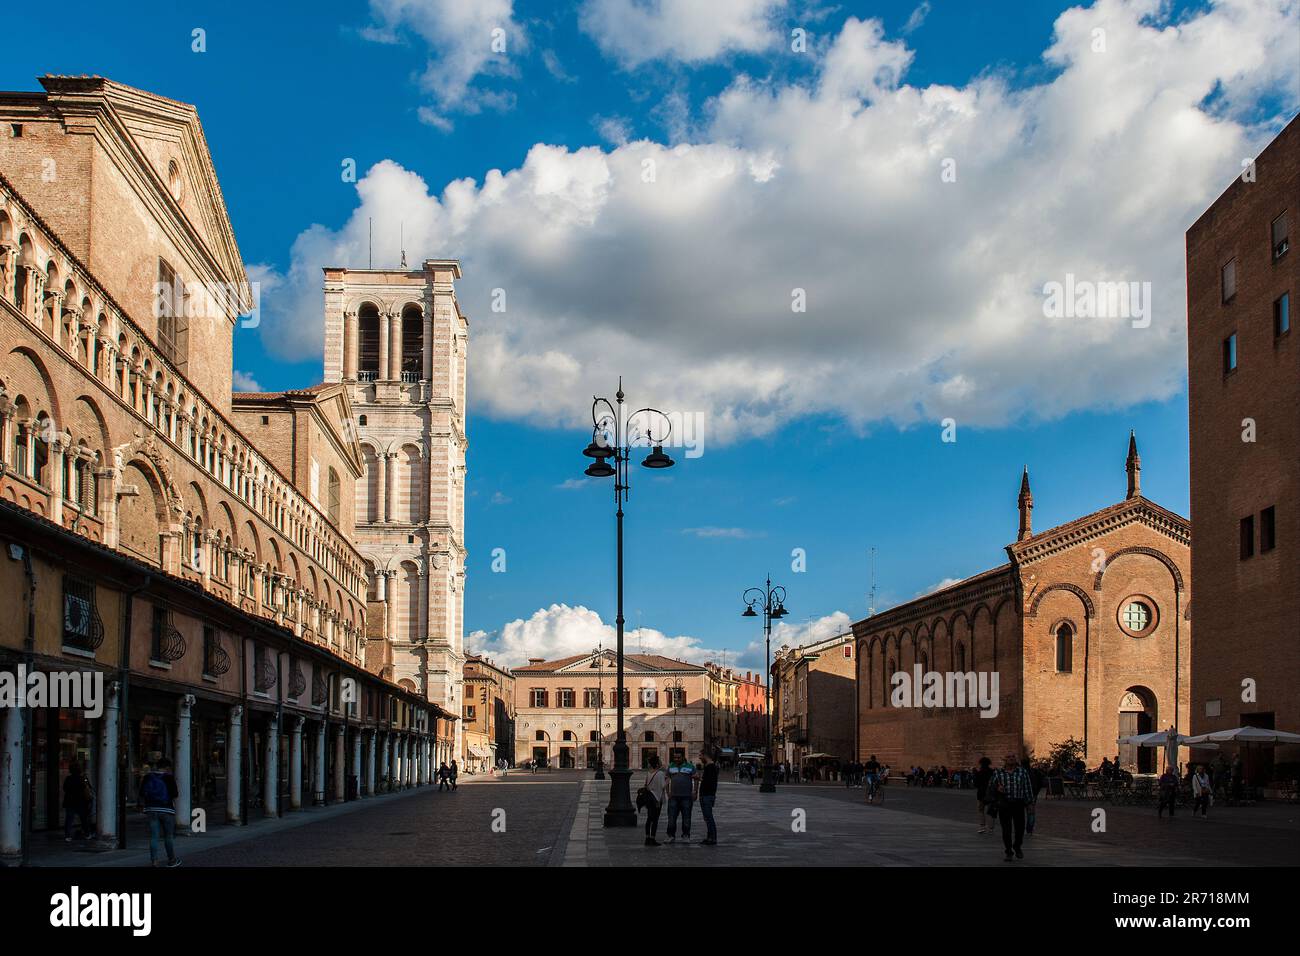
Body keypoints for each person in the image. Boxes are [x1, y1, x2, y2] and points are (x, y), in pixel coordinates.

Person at [989, 754, 1033, 861]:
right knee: (1006, 829)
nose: (1011, 758)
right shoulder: (998, 772)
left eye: (1013, 757)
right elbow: (990, 786)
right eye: (1009, 757)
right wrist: (997, 788)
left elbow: (1027, 787)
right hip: (1004, 804)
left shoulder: (1022, 772)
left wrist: (1030, 804)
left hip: (1018, 803)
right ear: (1004, 760)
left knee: (1020, 828)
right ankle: (1008, 851)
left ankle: (1017, 846)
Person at [138, 758, 181, 868]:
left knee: (154, 836)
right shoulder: (169, 777)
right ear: (167, 767)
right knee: (168, 836)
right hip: (167, 809)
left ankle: (154, 861)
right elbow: (175, 794)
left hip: (151, 809)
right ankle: (171, 859)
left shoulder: (148, 776)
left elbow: (142, 793)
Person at [664, 753, 696, 844]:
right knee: (671, 818)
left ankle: (686, 836)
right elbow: (666, 779)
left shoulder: (690, 766)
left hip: (686, 797)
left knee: (686, 817)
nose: (676, 759)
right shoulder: (670, 766)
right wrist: (667, 792)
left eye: (678, 757)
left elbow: (696, 778)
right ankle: (671, 836)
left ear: (683, 757)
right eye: (674, 758)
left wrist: (695, 791)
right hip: (673, 797)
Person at [63, 761, 95, 843]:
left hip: (70, 801)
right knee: (83, 819)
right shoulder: (82, 779)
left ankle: (67, 836)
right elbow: (87, 789)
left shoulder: (68, 779)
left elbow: (65, 789)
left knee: (69, 819)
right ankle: (87, 834)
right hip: (80, 801)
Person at [640, 756, 667, 846]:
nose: (661, 762)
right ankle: (652, 839)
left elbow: (646, 785)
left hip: (649, 799)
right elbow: (662, 786)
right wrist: (669, 780)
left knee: (649, 818)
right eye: (659, 761)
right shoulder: (660, 773)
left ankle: (647, 838)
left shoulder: (648, 773)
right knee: (655, 819)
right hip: (656, 799)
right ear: (657, 763)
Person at [697, 751, 720, 845]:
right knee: (707, 817)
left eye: (700, 755)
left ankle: (712, 838)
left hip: (707, 795)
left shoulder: (711, 767)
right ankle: (709, 837)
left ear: (705, 756)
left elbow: (709, 782)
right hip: (706, 795)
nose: (699, 758)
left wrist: (698, 778)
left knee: (709, 817)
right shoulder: (709, 766)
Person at [973, 756, 994, 834]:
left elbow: (976, 784)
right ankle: (991, 828)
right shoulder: (992, 772)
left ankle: (982, 826)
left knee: (981, 810)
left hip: (981, 794)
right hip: (991, 794)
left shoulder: (979, 773)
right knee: (991, 811)